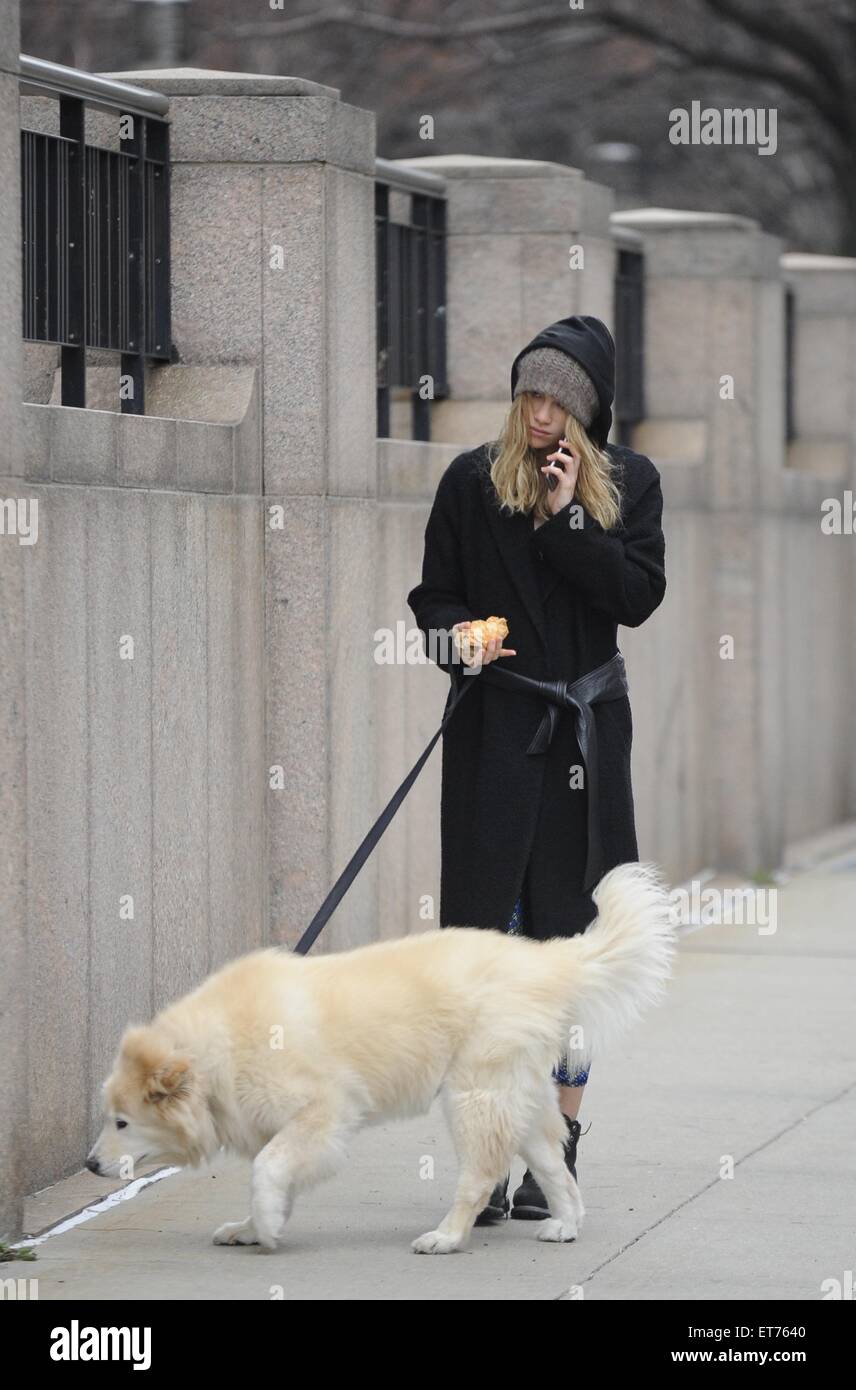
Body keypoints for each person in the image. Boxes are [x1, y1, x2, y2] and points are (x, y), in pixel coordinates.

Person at [406, 313, 666, 1224]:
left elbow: (637, 597)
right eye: (531, 393)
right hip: (497, 736)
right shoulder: (470, 483)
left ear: (587, 413)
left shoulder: (630, 484)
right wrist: (458, 636)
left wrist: (565, 523)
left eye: (559, 400)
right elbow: (432, 596)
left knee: (567, 958)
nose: (541, 413)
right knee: (489, 957)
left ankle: (556, 1148)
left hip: (586, 744)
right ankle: (487, 1161)